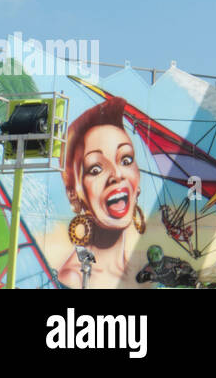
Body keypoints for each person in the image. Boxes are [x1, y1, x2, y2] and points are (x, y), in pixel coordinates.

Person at [57, 96, 146, 289]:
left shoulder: (142, 274)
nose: (116, 175)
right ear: (74, 194)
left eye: (126, 160)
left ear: (137, 185)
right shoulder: (73, 279)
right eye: (95, 169)